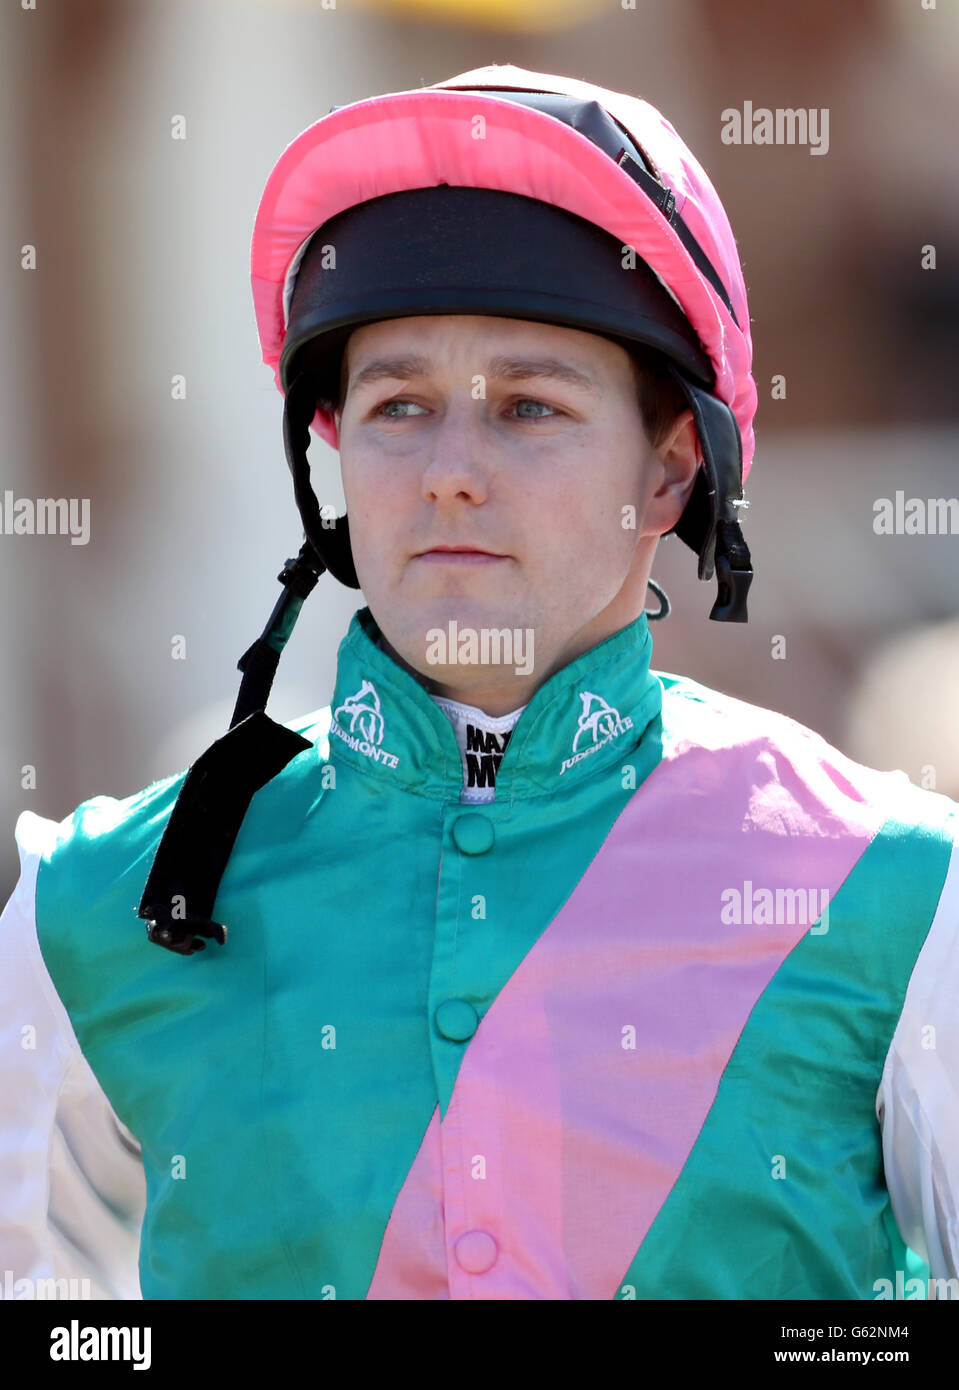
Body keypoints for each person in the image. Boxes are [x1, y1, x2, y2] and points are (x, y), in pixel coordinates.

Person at [1, 63, 956, 1302]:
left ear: (670, 475)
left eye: (525, 406)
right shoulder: (85, 909)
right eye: (398, 405)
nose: (450, 469)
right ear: (335, 451)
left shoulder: (898, 895)